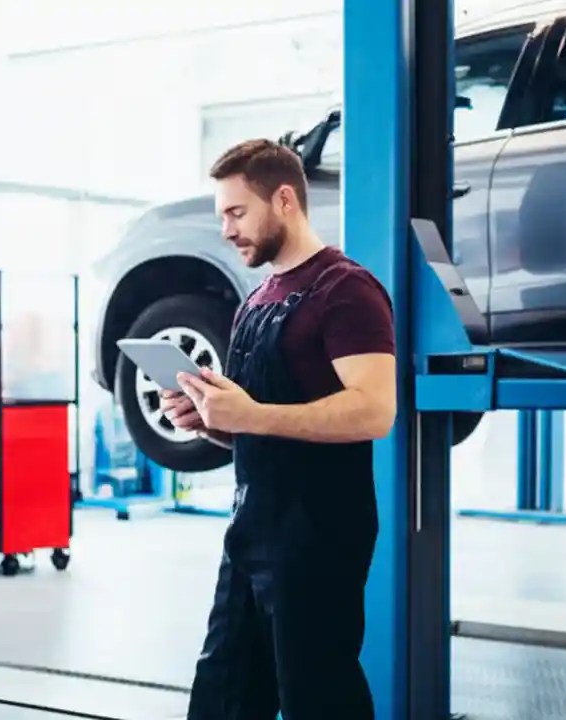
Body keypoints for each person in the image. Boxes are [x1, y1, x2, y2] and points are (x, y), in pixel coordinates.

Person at [160, 138, 397, 719]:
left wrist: (252, 415)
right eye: (222, 216)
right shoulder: (255, 301)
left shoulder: (348, 291)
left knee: (318, 697)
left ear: (284, 199)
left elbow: (374, 410)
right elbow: (255, 425)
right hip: (250, 532)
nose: (226, 230)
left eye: (236, 212)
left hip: (319, 537)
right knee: (223, 695)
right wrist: (212, 421)